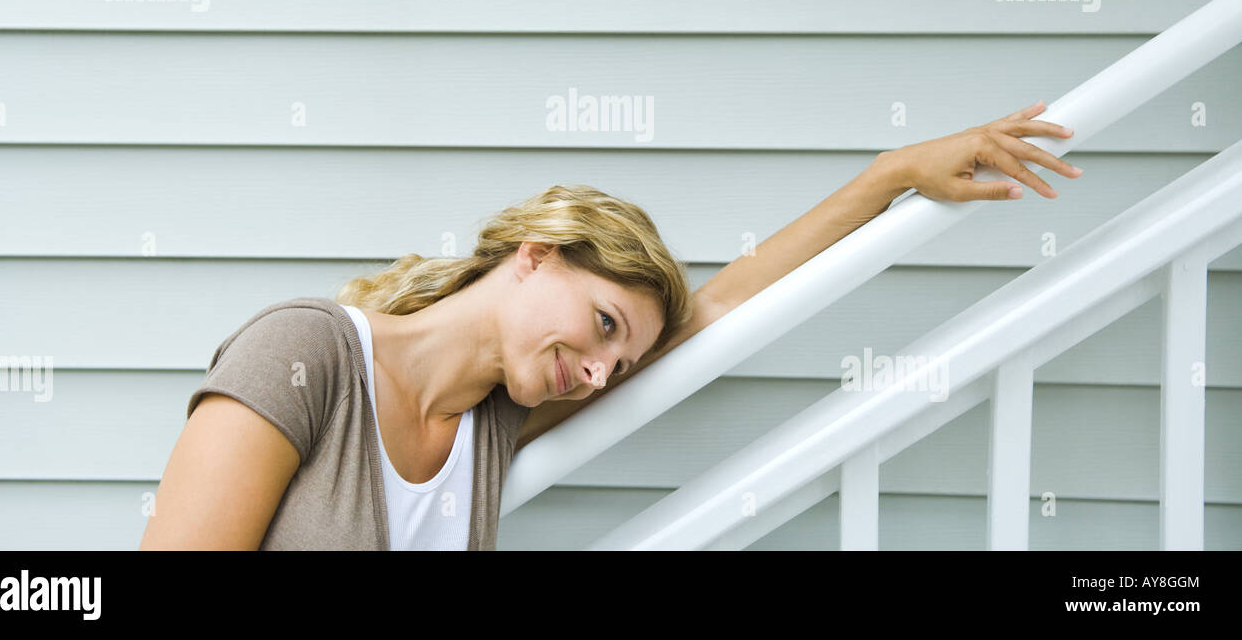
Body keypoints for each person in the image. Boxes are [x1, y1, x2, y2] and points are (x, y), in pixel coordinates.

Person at [139, 100, 1079, 550]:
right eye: (600, 324)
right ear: (538, 250)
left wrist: (889, 176)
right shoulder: (305, 356)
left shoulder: (491, 427)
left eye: (615, 357)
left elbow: (719, 308)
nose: (597, 372)